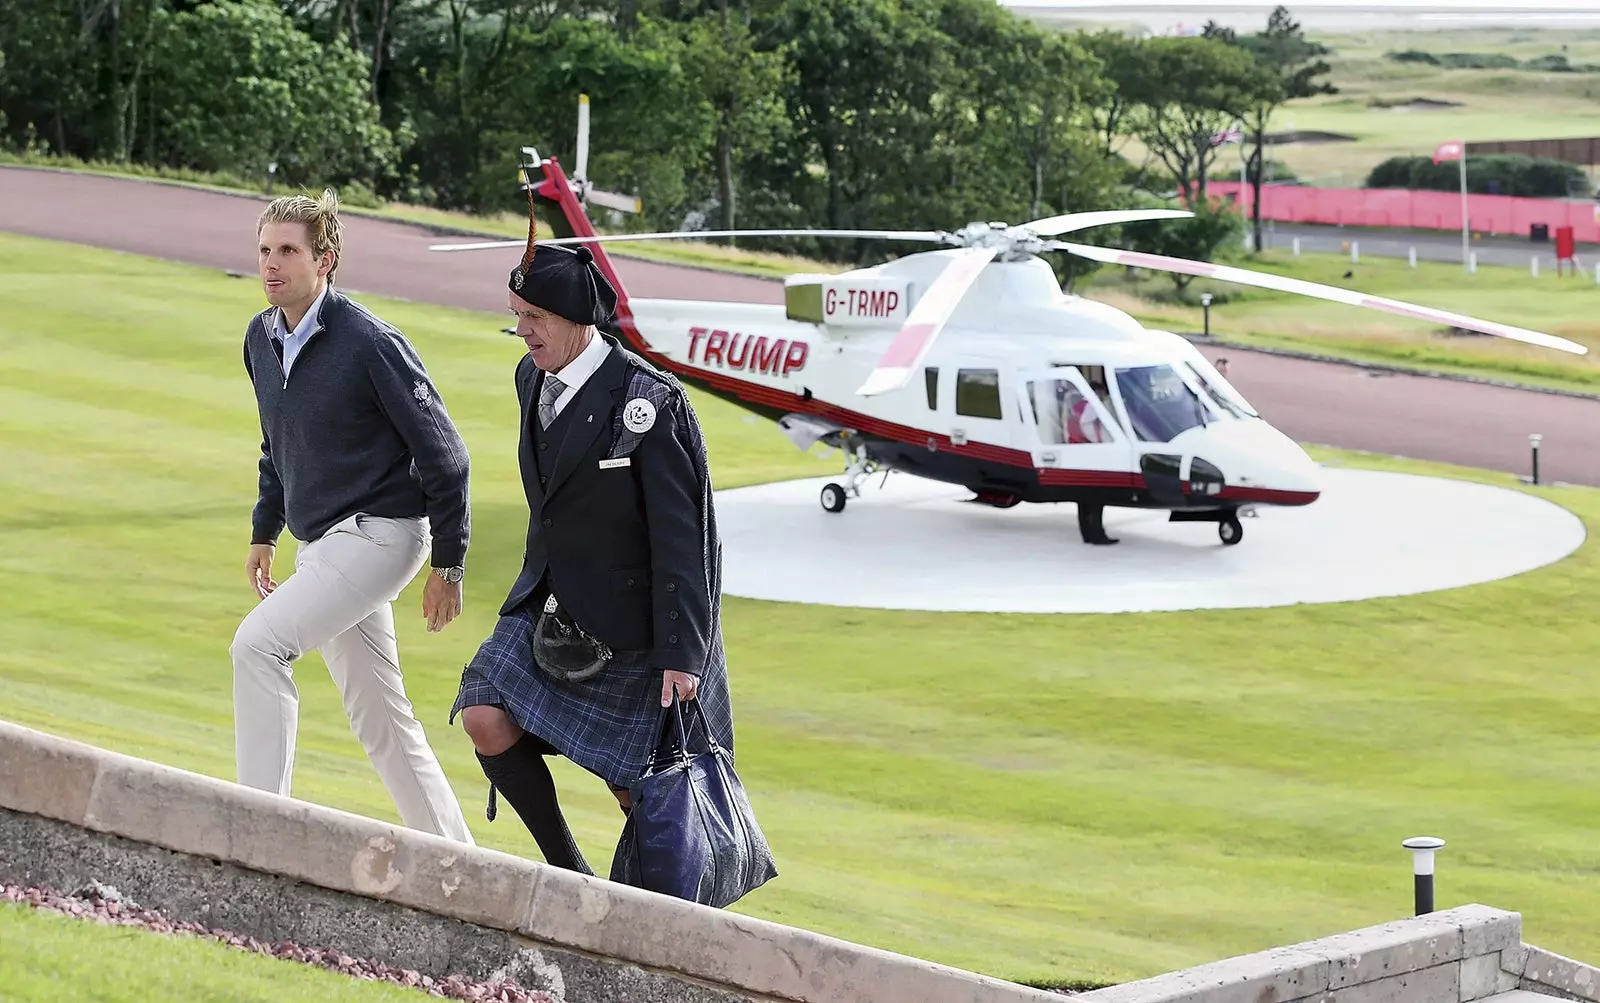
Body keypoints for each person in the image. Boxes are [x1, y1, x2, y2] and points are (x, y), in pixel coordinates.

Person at [449, 214, 734, 877]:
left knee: (646, 794)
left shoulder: (650, 403)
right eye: (516, 313)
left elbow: (685, 540)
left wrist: (682, 652)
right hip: (548, 604)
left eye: (535, 316)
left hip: (635, 628)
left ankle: (673, 922)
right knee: (484, 712)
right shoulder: (531, 378)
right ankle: (569, 874)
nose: (522, 329)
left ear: (578, 318)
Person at [231, 188, 474, 844]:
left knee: (258, 646)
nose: (272, 264)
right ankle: (464, 865)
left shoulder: (369, 342)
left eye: (288, 250)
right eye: (264, 250)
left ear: (325, 260)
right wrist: (264, 529)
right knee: (381, 718)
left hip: (382, 535)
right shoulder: (260, 338)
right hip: (324, 544)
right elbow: (276, 444)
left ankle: (261, 832)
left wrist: (449, 562)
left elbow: (447, 456)